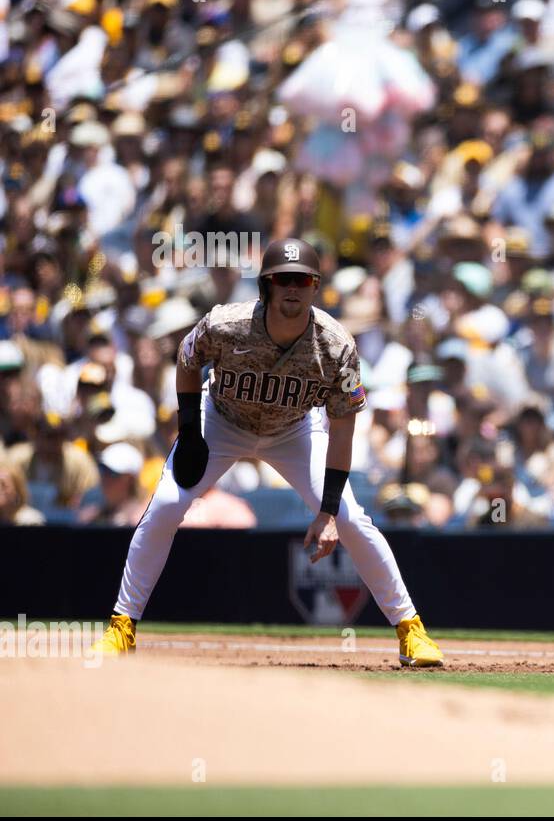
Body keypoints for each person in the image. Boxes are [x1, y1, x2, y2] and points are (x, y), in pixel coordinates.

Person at [89, 240, 445, 667]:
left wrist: (328, 510)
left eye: (303, 280)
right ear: (266, 286)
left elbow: (344, 426)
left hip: (294, 430)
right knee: (165, 504)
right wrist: (188, 431)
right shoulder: (227, 323)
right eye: (283, 279)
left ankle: (411, 631)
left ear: (316, 287)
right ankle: (122, 625)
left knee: (351, 518)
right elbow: (186, 360)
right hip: (221, 419)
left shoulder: (338, 346)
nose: (293, 288)